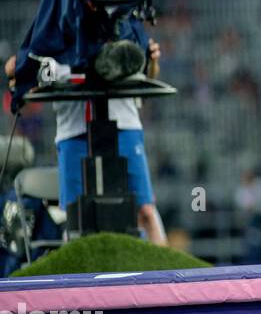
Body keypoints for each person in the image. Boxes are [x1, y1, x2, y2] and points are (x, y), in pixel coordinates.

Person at [5, 39, 167, 247]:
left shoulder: (122, 20)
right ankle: (73, 279)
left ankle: (167, 276)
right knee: (74, 219)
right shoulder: (53, 27)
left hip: (125, 124)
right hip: (72, 129)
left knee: (146, 211)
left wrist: (152, 62)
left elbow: (147, 74)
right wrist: (22, 69)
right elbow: (15, 71)